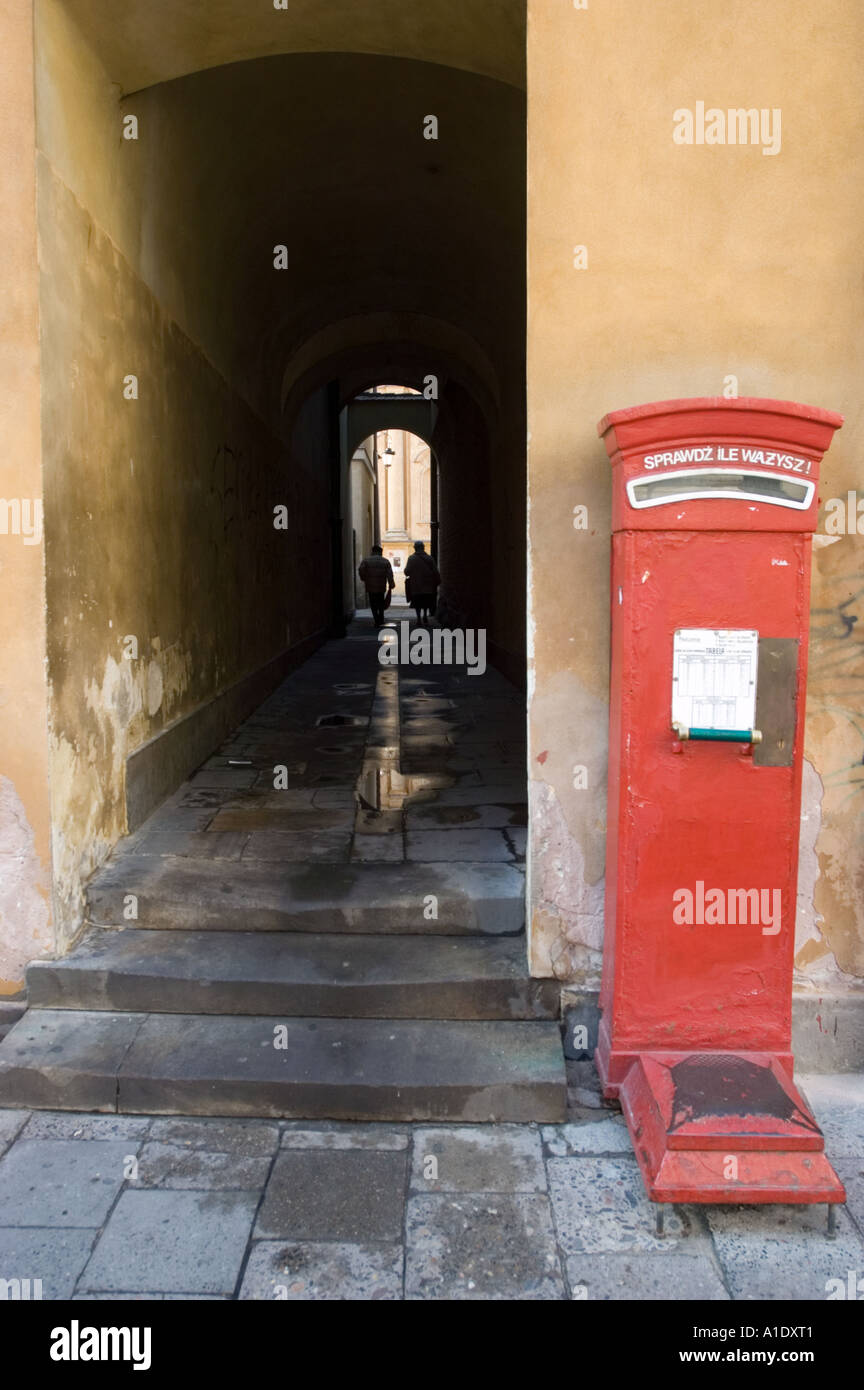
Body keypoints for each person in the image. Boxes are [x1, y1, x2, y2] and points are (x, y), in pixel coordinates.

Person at [404, 540, 440, 626]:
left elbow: (407, 572)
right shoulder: (429, 558)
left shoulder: (411, 558)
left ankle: (419, 619)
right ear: (423, 548)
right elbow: (435, 571)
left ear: (415, 548)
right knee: (426, 601)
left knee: (417, 602)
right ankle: (425, 615)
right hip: (428, 585)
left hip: (416, 585)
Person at [358, 545, 394, 626]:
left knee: (373, 603)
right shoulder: (385, 561)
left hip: (370, 586)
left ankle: (376, 619)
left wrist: (364, 578)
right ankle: (381, 618)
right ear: (380, 552)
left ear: (372, 551)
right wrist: (391, 583)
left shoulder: (366, 561)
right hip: (381, 586)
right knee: (381, 602)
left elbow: (361, 570)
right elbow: (389, 574)